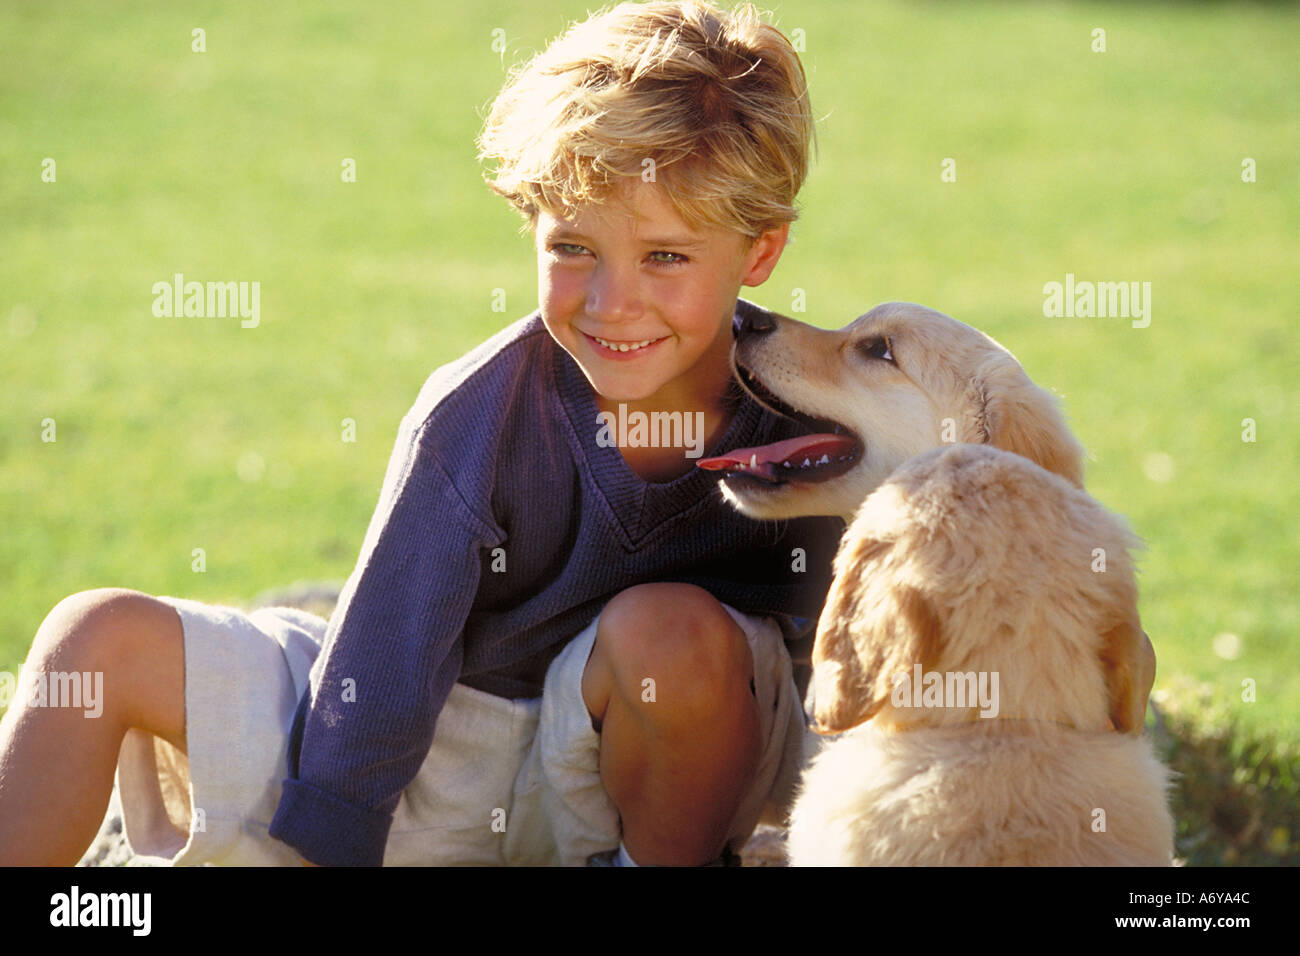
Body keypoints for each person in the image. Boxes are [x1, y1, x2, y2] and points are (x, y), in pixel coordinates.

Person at [0, 0, 843, 867]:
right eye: (573, 249)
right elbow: (382, 667)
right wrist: (332, 835)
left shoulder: (817, 413)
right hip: (445, 750)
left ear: (761, 252)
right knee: (93, 638)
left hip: (651, 768)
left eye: (665, 256)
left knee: (668, 632)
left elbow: (862, 650)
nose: (609, 303)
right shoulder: (479, 412)